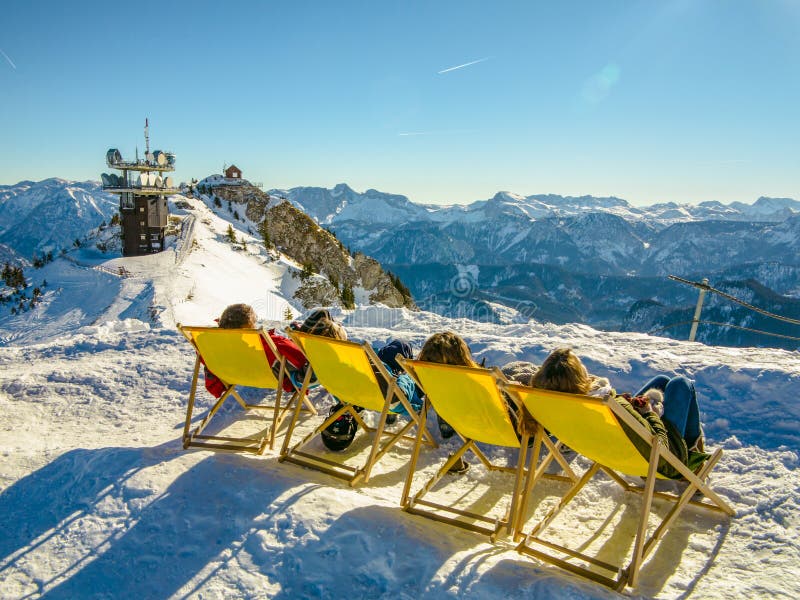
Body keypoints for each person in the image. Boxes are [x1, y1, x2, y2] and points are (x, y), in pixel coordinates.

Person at [529, 347, 709, 479]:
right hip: (660, 460)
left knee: (661, 381)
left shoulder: (558, 402)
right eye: (581, 365)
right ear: (577, 377)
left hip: (613, 450)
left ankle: (693, 450)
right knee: (681, 384)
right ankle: (694, 463)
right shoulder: (607, 402)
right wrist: (649, 413)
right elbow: (660, 443)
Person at [417, 331, 536, 473]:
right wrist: (514, 389)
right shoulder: (479, 382)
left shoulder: (430, 378)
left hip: (462, 424)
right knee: (524, 378)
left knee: (511, 373)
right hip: (514, 432)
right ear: (462, 356)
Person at [202, 303, 309, 398]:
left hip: (236, 376)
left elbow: (209, 364)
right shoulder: (269, 344)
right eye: (254, 321)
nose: (255, 323)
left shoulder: (209, 345)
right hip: (271, 377)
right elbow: (302, 358)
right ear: (249, 324)